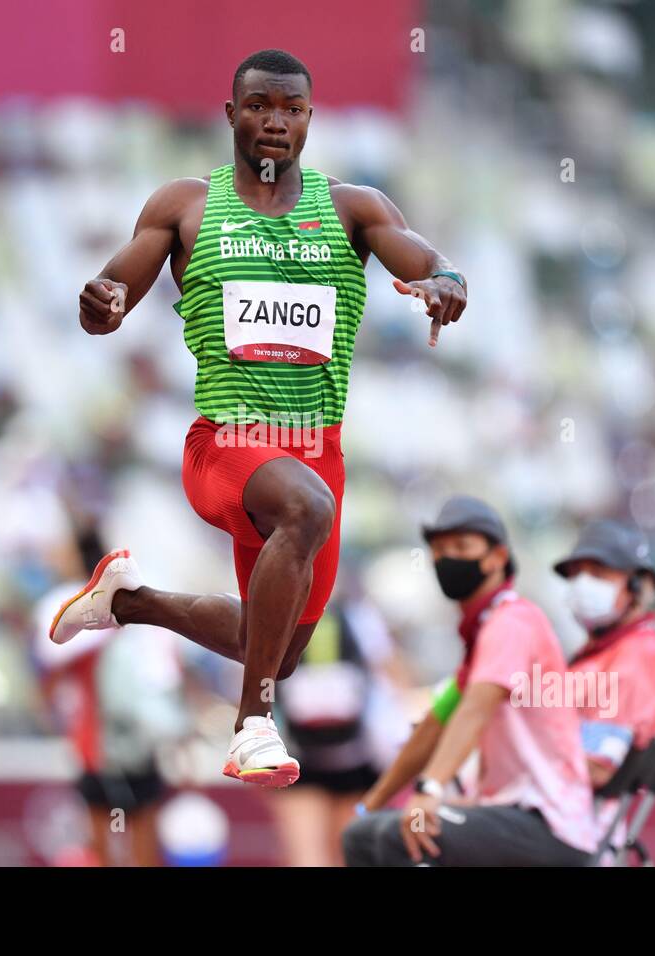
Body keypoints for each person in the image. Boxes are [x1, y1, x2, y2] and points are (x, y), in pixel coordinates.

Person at [50, 48, 468, 788]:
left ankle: (128, 601)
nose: (276, 122)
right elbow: (113, 292)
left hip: (317, 452)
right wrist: (103, 302)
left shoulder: (352, 208)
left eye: (292, 109)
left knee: (271, 642)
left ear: (309, 118)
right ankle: (252, 726)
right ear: (231, 114)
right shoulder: (186, 206)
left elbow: (425, 256)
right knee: (306, 514)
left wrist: (444, 281)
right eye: (260, 106)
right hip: (227, 446)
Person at [342, 496, 596, 866]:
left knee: (393, 837)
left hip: (549, 823)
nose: (448, 558)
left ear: (496, 557)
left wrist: (429, 789)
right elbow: (434, 725)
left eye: (462, 547)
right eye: (440, 549)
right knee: (362, 834)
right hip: (510, 812)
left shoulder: (513, 622)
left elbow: (476, 707)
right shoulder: (482, 636)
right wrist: (370, 804)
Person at [33, 536, 190, 866]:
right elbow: (172, 688)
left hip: (102, 751)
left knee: (107, 845)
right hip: (134, 751)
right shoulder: (147, 631)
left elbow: (50, 686)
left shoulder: (87, 635)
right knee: (139, 842)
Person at [554, 519, 655, 850]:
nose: (582, 584)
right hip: (555, 819)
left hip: (570, 830)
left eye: (599, 573)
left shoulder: (636, 657)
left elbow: (597, 767)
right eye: (577, 573)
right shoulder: (600, 655)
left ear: (636, 586)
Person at [268, 594, 404, 866]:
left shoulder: (276, 614)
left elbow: (254, 684)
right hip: (341, 759)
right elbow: (393, 676)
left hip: (308, 756)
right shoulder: (360, 614)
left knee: (310, 858)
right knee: (344, 855)